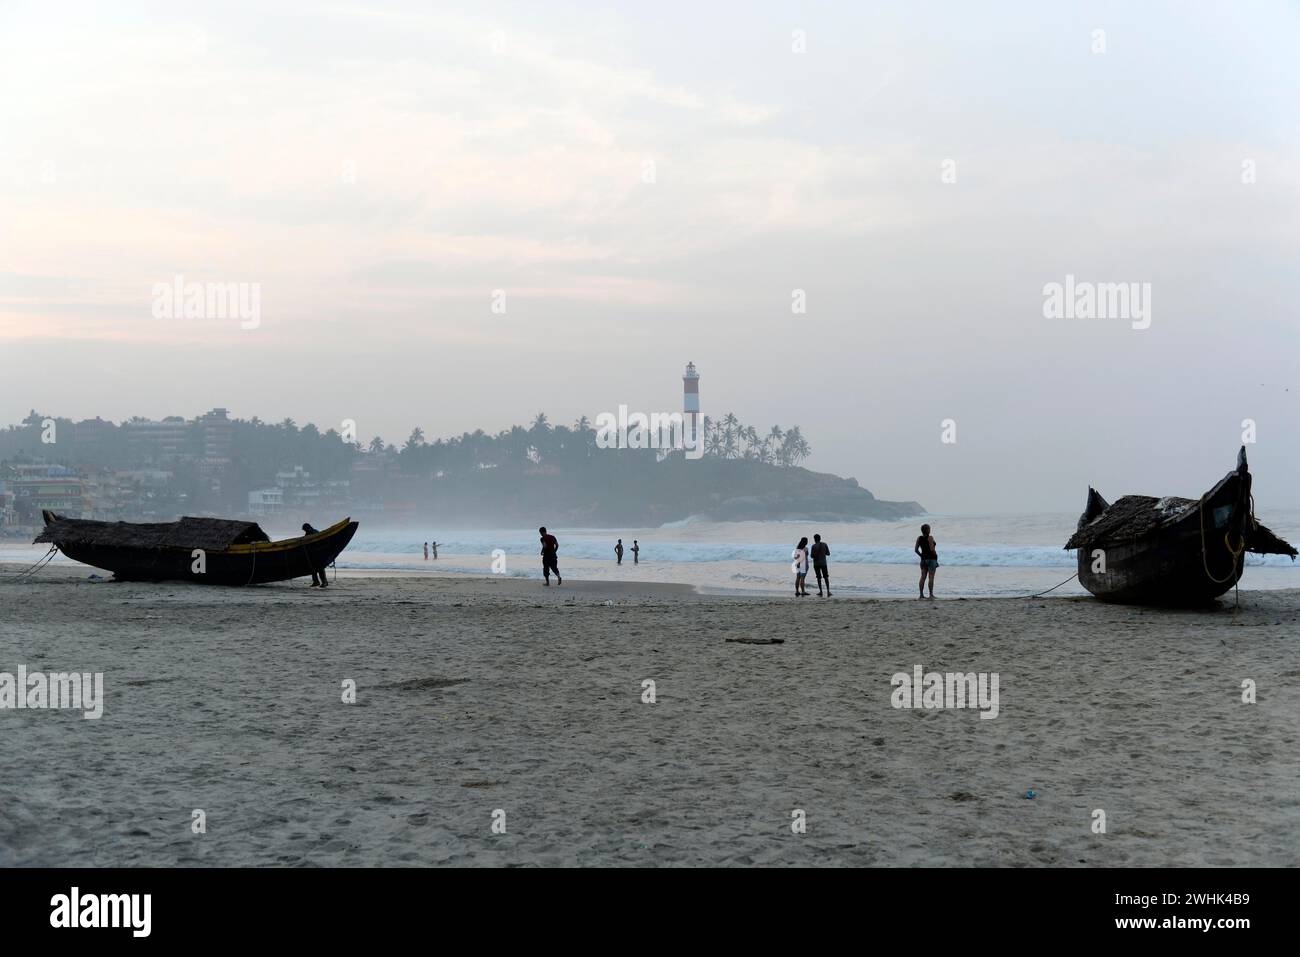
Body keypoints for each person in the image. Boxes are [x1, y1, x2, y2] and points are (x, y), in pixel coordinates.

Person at [914, 523, 938, 599]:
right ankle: (931, 595)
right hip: (931, 559)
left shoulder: (919, 538)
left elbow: (916, 550)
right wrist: (936, 555)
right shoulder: (930, 537)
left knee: (923, 577)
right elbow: (931, 549)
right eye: (929, 528)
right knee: (931, 577)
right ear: (928, 530)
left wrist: (921, 555)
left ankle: (921, 595)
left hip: (923, 560)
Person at [302, 523, 328, 588]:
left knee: (320, 568)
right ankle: (316, 582)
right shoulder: (311, 532)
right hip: (314, 554)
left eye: (305, 530)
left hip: (318, 553)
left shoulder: (313, 533)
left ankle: (324, 582)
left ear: (307, 528)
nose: (305, 531)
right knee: (313, 568)